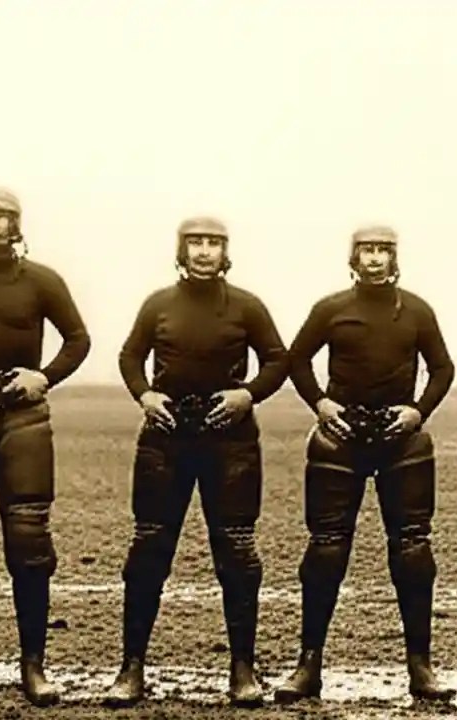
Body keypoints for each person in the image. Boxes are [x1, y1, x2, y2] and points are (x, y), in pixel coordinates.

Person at [106, 216, 289, 708]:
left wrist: (246, 396)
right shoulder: (158, 304)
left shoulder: (247, 306)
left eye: (213, 243)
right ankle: (131, 669)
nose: (204, 251)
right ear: (181, 249)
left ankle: (243, 670)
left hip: (229, 442)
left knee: (236, 551)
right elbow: (129, 356)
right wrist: (144, 395)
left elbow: (278, 360)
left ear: (225, 251)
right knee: (148, 549)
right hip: (165, 439)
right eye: (196, 243)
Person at [274, 224, 457, 703]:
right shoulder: (331, 308)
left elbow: (442, 367)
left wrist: (418, 410)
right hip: (342, 438)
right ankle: (308, 666)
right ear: (352, 257)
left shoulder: (416, 310)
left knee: (413, 551)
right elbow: (297, 360)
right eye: (366, 250)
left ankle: (421, 667)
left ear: (394, 257)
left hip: (401, 440)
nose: (374, 259)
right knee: (326, 550)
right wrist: (321, 404)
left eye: (382, 250)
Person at [0, 186, 90, 707]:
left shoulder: (41, 280)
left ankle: (33, 665)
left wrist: (44, 376)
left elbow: (78, 339)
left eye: (2, 215)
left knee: (29, 546)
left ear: (17, 224)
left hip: (23, 419)